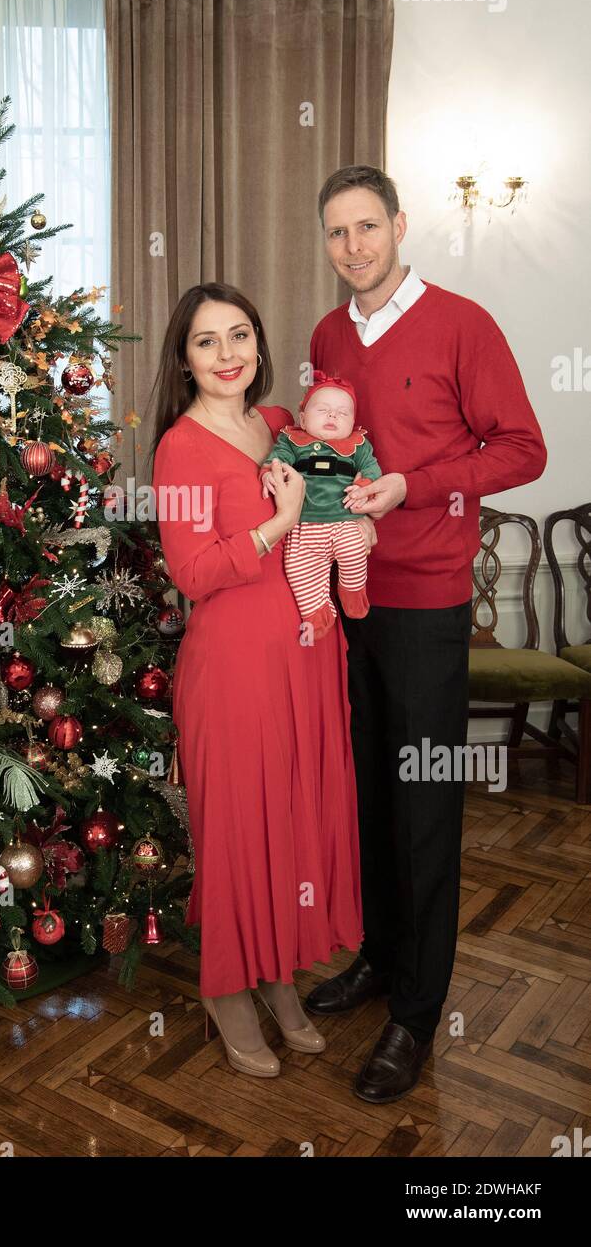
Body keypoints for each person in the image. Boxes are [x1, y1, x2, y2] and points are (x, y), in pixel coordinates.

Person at [304, 164, 547, 1103]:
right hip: (344, 596)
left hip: (427, 602)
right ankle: (377, 959)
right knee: (366, 793)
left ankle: (415, 1014)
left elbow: (523, 447)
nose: (353, 247)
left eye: (367, 227)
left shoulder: (463, 324)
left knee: (423, 804)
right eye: (336, 233)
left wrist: (418, 484)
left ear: (399, 226)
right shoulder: (328, 334)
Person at [148, 281, 371, 1078]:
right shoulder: (178, 447)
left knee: (291, 824)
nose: (227, 354)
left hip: (307, 661)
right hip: (234, 671)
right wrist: (275, 526)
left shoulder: (282, 426)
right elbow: (191, 570)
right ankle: (226, 988)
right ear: (184, 357)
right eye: (207, 341)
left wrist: (360, 507)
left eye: (238, 335)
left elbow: (340, 490)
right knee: (240, 832)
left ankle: (278, 977)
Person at [259, 371, 383, 640]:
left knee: (354, 550)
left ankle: (352, 591)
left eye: (343, 413)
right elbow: (277, 458)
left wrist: (364, 485)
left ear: (353, 421)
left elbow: (371, 468)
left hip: (344, 521)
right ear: (303, 418)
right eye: (323, 410)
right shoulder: (293, 440)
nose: (333, 416)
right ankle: (317, 612)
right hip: (304, 528)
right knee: (298, 570)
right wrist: (270, 471)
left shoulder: (358, 444)